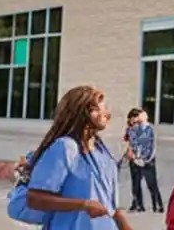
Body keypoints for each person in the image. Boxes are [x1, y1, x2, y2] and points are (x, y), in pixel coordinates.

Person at [26, 85, 133, 230]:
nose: (107, 114)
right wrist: (83, 205)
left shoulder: (102, 151)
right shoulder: (65, 147)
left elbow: (111, 207)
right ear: (82, 113)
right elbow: (34, 198)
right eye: (99, 109)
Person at [124, 108, 162, 213]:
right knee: (135, 184)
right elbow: (129, 142)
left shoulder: (147, 128)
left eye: (134, 118)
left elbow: (151, 145)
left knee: (151, 184)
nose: (132, 120)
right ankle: (138, 204)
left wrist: (146, 158)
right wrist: (130, 152)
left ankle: (157, 205)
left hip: (147, 160)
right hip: (134, 159)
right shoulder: (130, 129)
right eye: (131, 119)